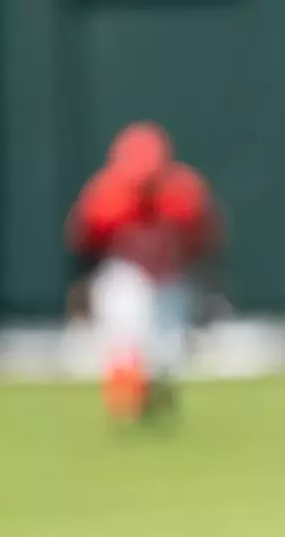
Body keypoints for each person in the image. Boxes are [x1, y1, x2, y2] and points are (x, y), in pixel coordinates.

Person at [66, 121, 219, 421]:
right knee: (125, 336)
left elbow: (204, 242)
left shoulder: (184, 193)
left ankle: (154, 398)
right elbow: (84, 247)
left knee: (168, 353)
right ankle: (127, 406)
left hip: (170, 275)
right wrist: (82, 288)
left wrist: (208, 286)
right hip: (126, 272)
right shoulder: (105, 195)